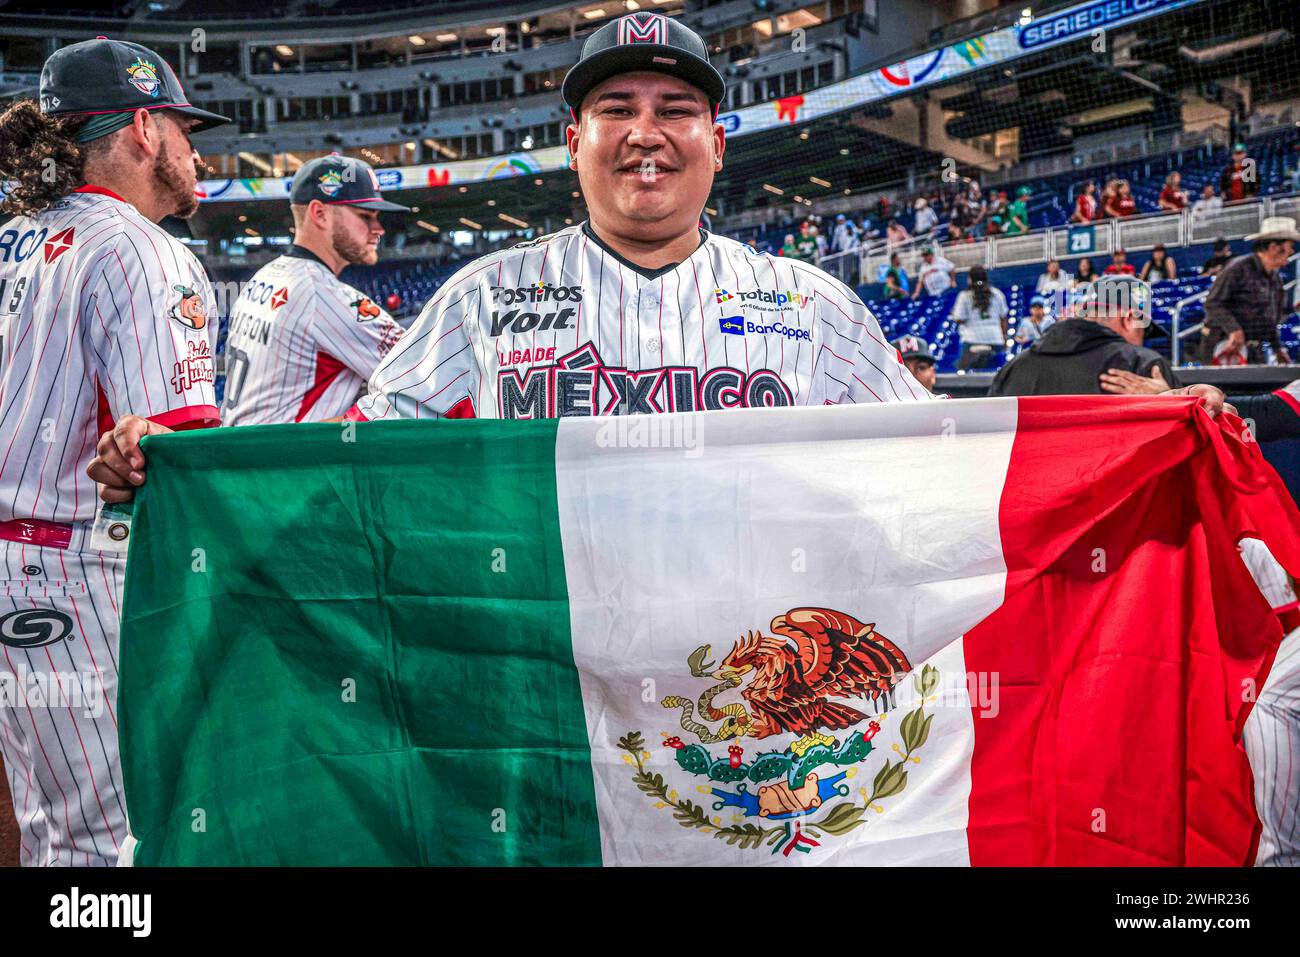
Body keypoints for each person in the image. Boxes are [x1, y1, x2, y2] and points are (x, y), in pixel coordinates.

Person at [89, 11, 931, 475]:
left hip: (744, 694)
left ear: (717, 143)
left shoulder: (812, 305)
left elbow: (945, 463)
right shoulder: (483, 298)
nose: (646, 133)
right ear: (574, 141)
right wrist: (186, 474)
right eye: (615, 110)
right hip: (543, 689)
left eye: (675, 111)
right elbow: (358, 463)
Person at [0, 37, 230, 866]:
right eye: (183, 128)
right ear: (142, 127)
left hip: (22, 569)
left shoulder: (15, 236)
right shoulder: (139, 247)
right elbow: (179, 454)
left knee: (47, 830)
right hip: (70, 573)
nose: (194, 150)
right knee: (111, 841)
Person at [220, 155, 409, 426]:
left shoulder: (262, 277)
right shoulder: (322, 295)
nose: (378, 229)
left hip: (242, 453)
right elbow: (427, 377)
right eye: (365, 216)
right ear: (319, 214)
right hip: (283, 463)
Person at [988, 275, 1176, 396]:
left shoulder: (1013, 368)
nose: (1142, 340)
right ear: (1129, 319)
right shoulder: (1145, 367)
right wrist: (1173, 405)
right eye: (1143, 330)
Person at [1198, 216, 1297, 365]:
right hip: (1224, 346)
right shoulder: (1238, 267)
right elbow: (1213, 303)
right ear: (1274, 248)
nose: (1292, 251)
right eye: (1290, 246)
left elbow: (1270, 320)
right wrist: (1234, 329)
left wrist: (1277, 349)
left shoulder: (1275, 278)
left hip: (1253, 349)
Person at [951, 265, 1008, 371]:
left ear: (970, 279)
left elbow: (959, 318)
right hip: (995, 339)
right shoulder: (997, 294)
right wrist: (1004, 337)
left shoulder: (964, 296)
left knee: (960, 372)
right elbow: (1003, 318)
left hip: (971, 339)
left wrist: (953, 315)